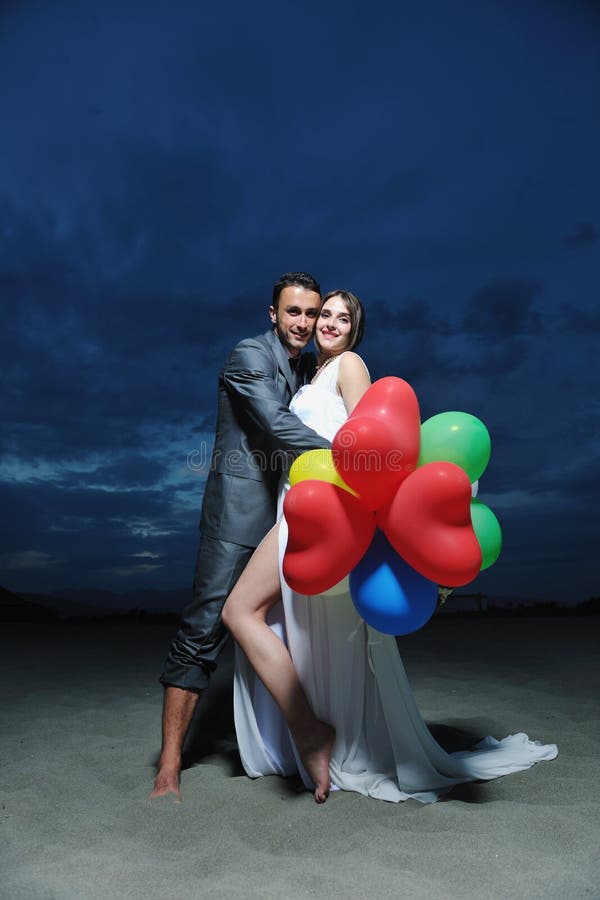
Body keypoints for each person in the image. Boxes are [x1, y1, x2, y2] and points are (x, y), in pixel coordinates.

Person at [223, 290, 558, 804]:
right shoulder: (312, 373)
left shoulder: (350, 366)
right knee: (290, 625)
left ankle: (316, 733)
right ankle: (314, 734)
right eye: (324, 315)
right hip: (302, 500)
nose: (330, 323)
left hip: (330, 504)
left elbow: (374, 446)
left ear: (355, 330)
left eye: (342, 317)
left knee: (243, 611)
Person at [151, 272, 331, 800]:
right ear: (273, 314)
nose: (303, 322)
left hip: (283, 518)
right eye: (293, 312)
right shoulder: (248, 355)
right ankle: (168, 765)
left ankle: (295, 744)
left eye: (311, 314)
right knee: (204, 629)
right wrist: (347, 459)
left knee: (285, 628)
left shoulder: (305, 370)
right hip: (235, 520)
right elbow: (275, 425)